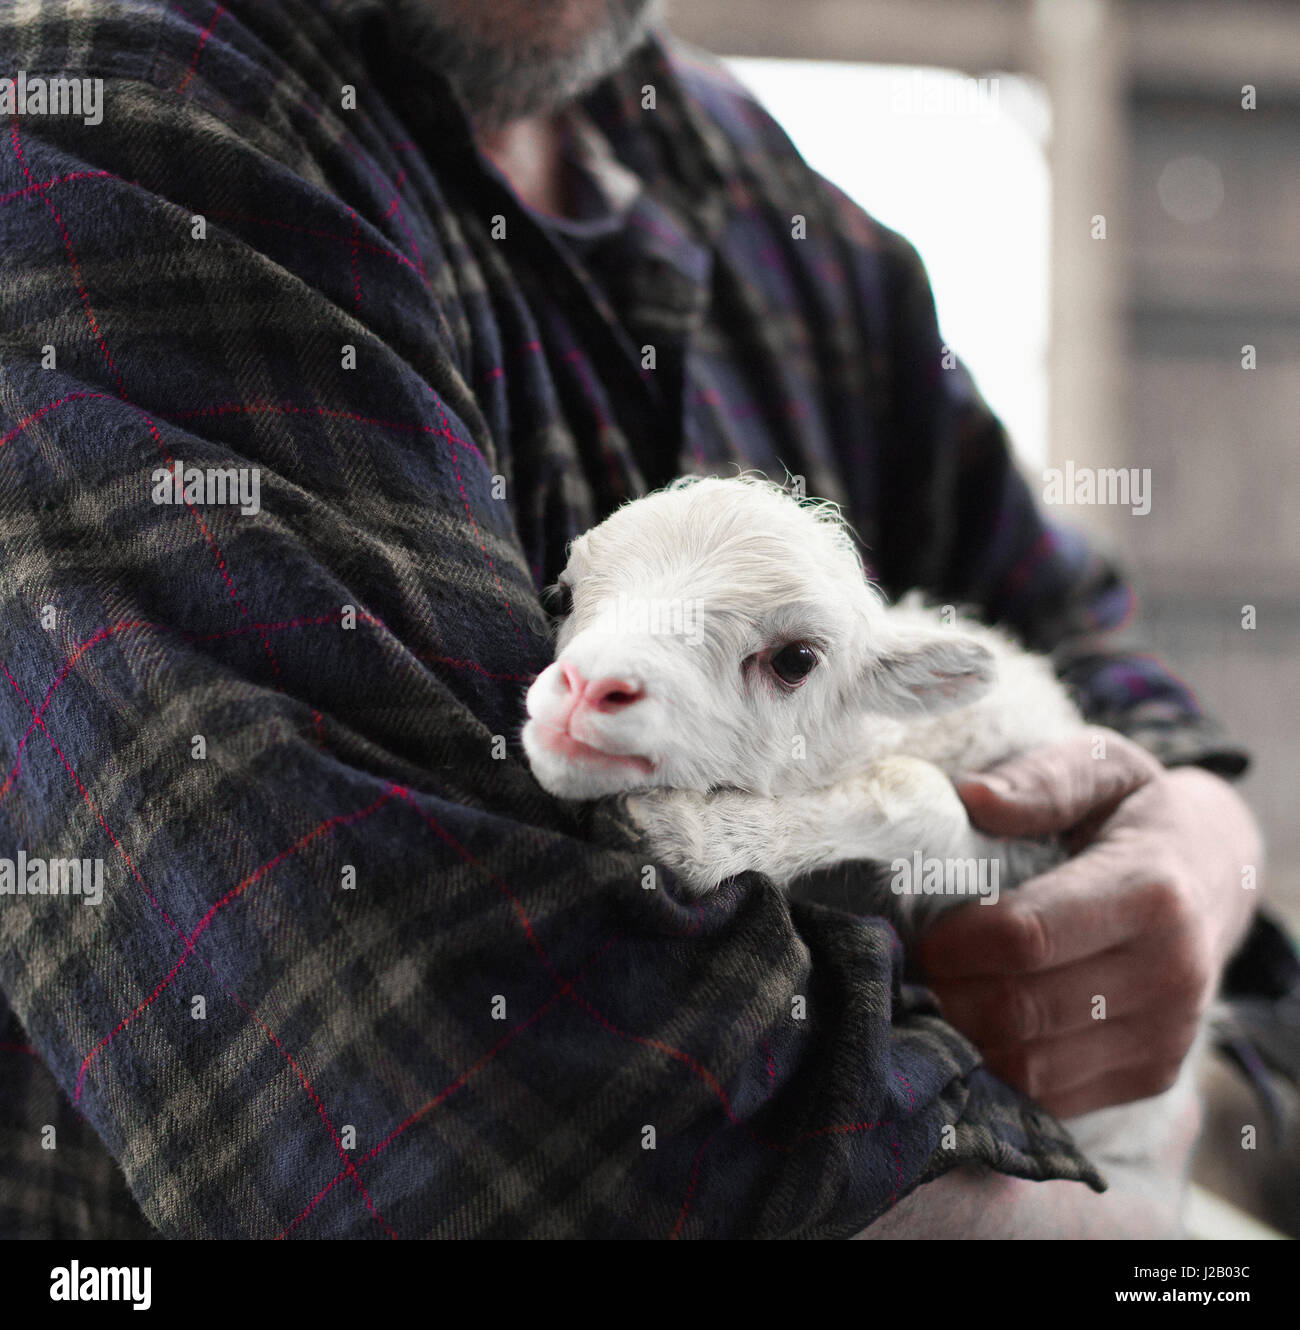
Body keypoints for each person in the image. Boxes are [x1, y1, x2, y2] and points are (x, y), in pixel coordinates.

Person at [0, 0, 1264, 1239]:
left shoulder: (764, 192)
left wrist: (1198, 844)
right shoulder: (111, 122)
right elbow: (497, 1109)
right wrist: (1132, 1217)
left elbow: (1072, 629)